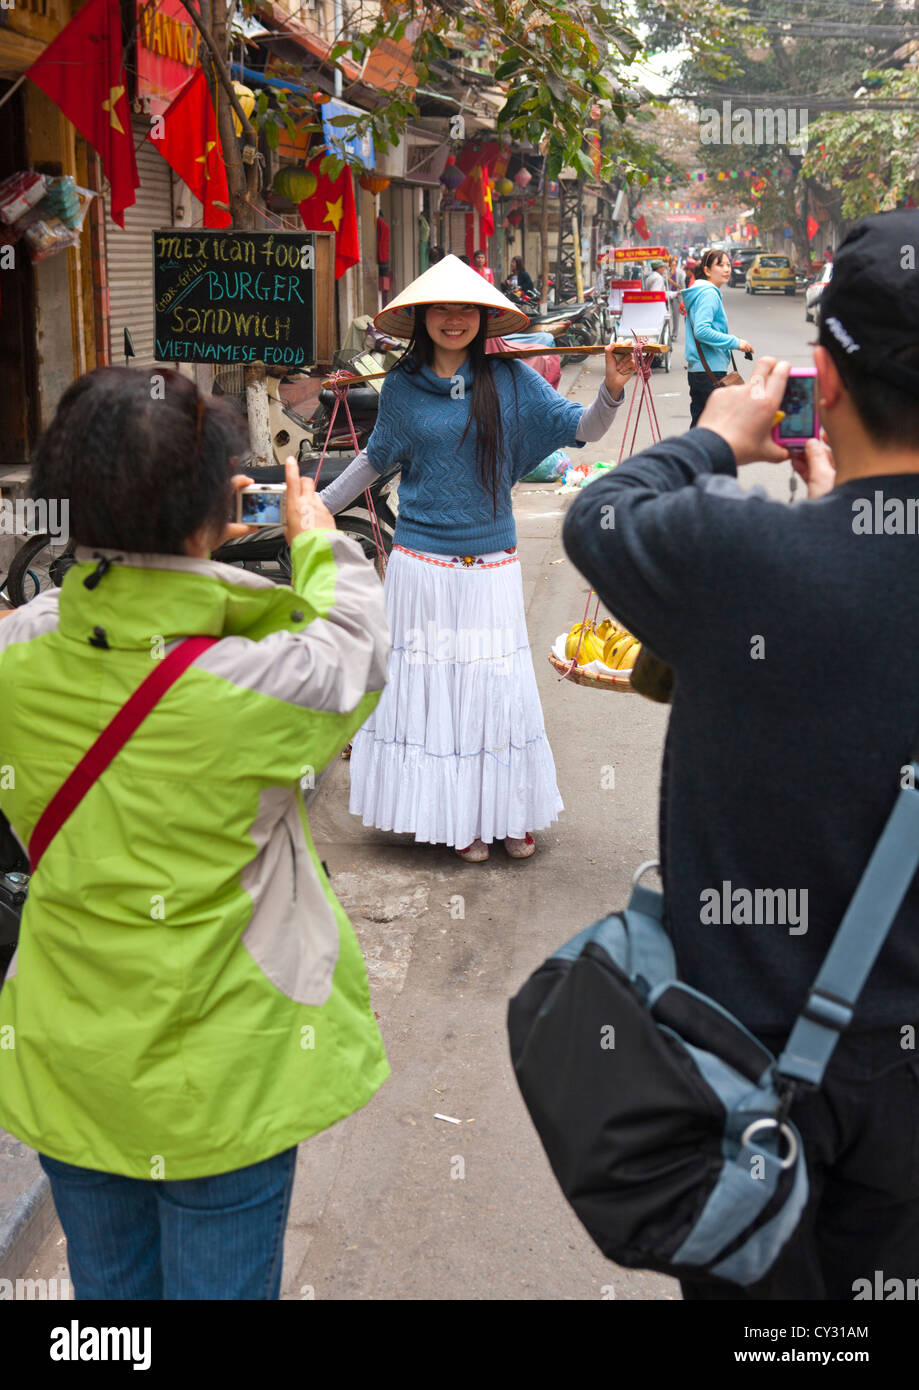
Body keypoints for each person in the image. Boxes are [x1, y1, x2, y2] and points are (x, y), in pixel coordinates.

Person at [563, 207, 919, 1301]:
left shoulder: (740, 556)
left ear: (823, 378)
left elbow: (602, 512)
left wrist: (715, 435)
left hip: (745, 1077)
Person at [0, 368, 390, 1300]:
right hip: (225, 1075)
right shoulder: (255, 681)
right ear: (221, 507)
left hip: (71, 1060)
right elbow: (355, 649)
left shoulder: (19, 658)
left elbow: (64, 613)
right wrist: (315, 544)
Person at [317, 254, 636, 863]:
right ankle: (457, 819)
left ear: (485, 317)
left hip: (491, 566)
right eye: (442, 307)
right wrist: (314, 507)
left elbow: (584, 431)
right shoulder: (404, 387)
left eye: (467, 308)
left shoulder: (511, 381)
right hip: (421, 568)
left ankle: (507, 813)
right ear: (422, 317)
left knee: (496, 690)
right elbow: (375, 458)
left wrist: (613, 390)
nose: (454, 318)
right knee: (440, 692)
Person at [682, 248, 754, 426]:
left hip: (699, 370)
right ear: (707, 270)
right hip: (710, 371)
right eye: (720, 265)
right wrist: (736, 342)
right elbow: (702, 330)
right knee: (713, 427)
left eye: (728, 265)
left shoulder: (699, 292)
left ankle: (692, 454)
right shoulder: (708, 294)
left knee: (701, 425)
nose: (726, 269)